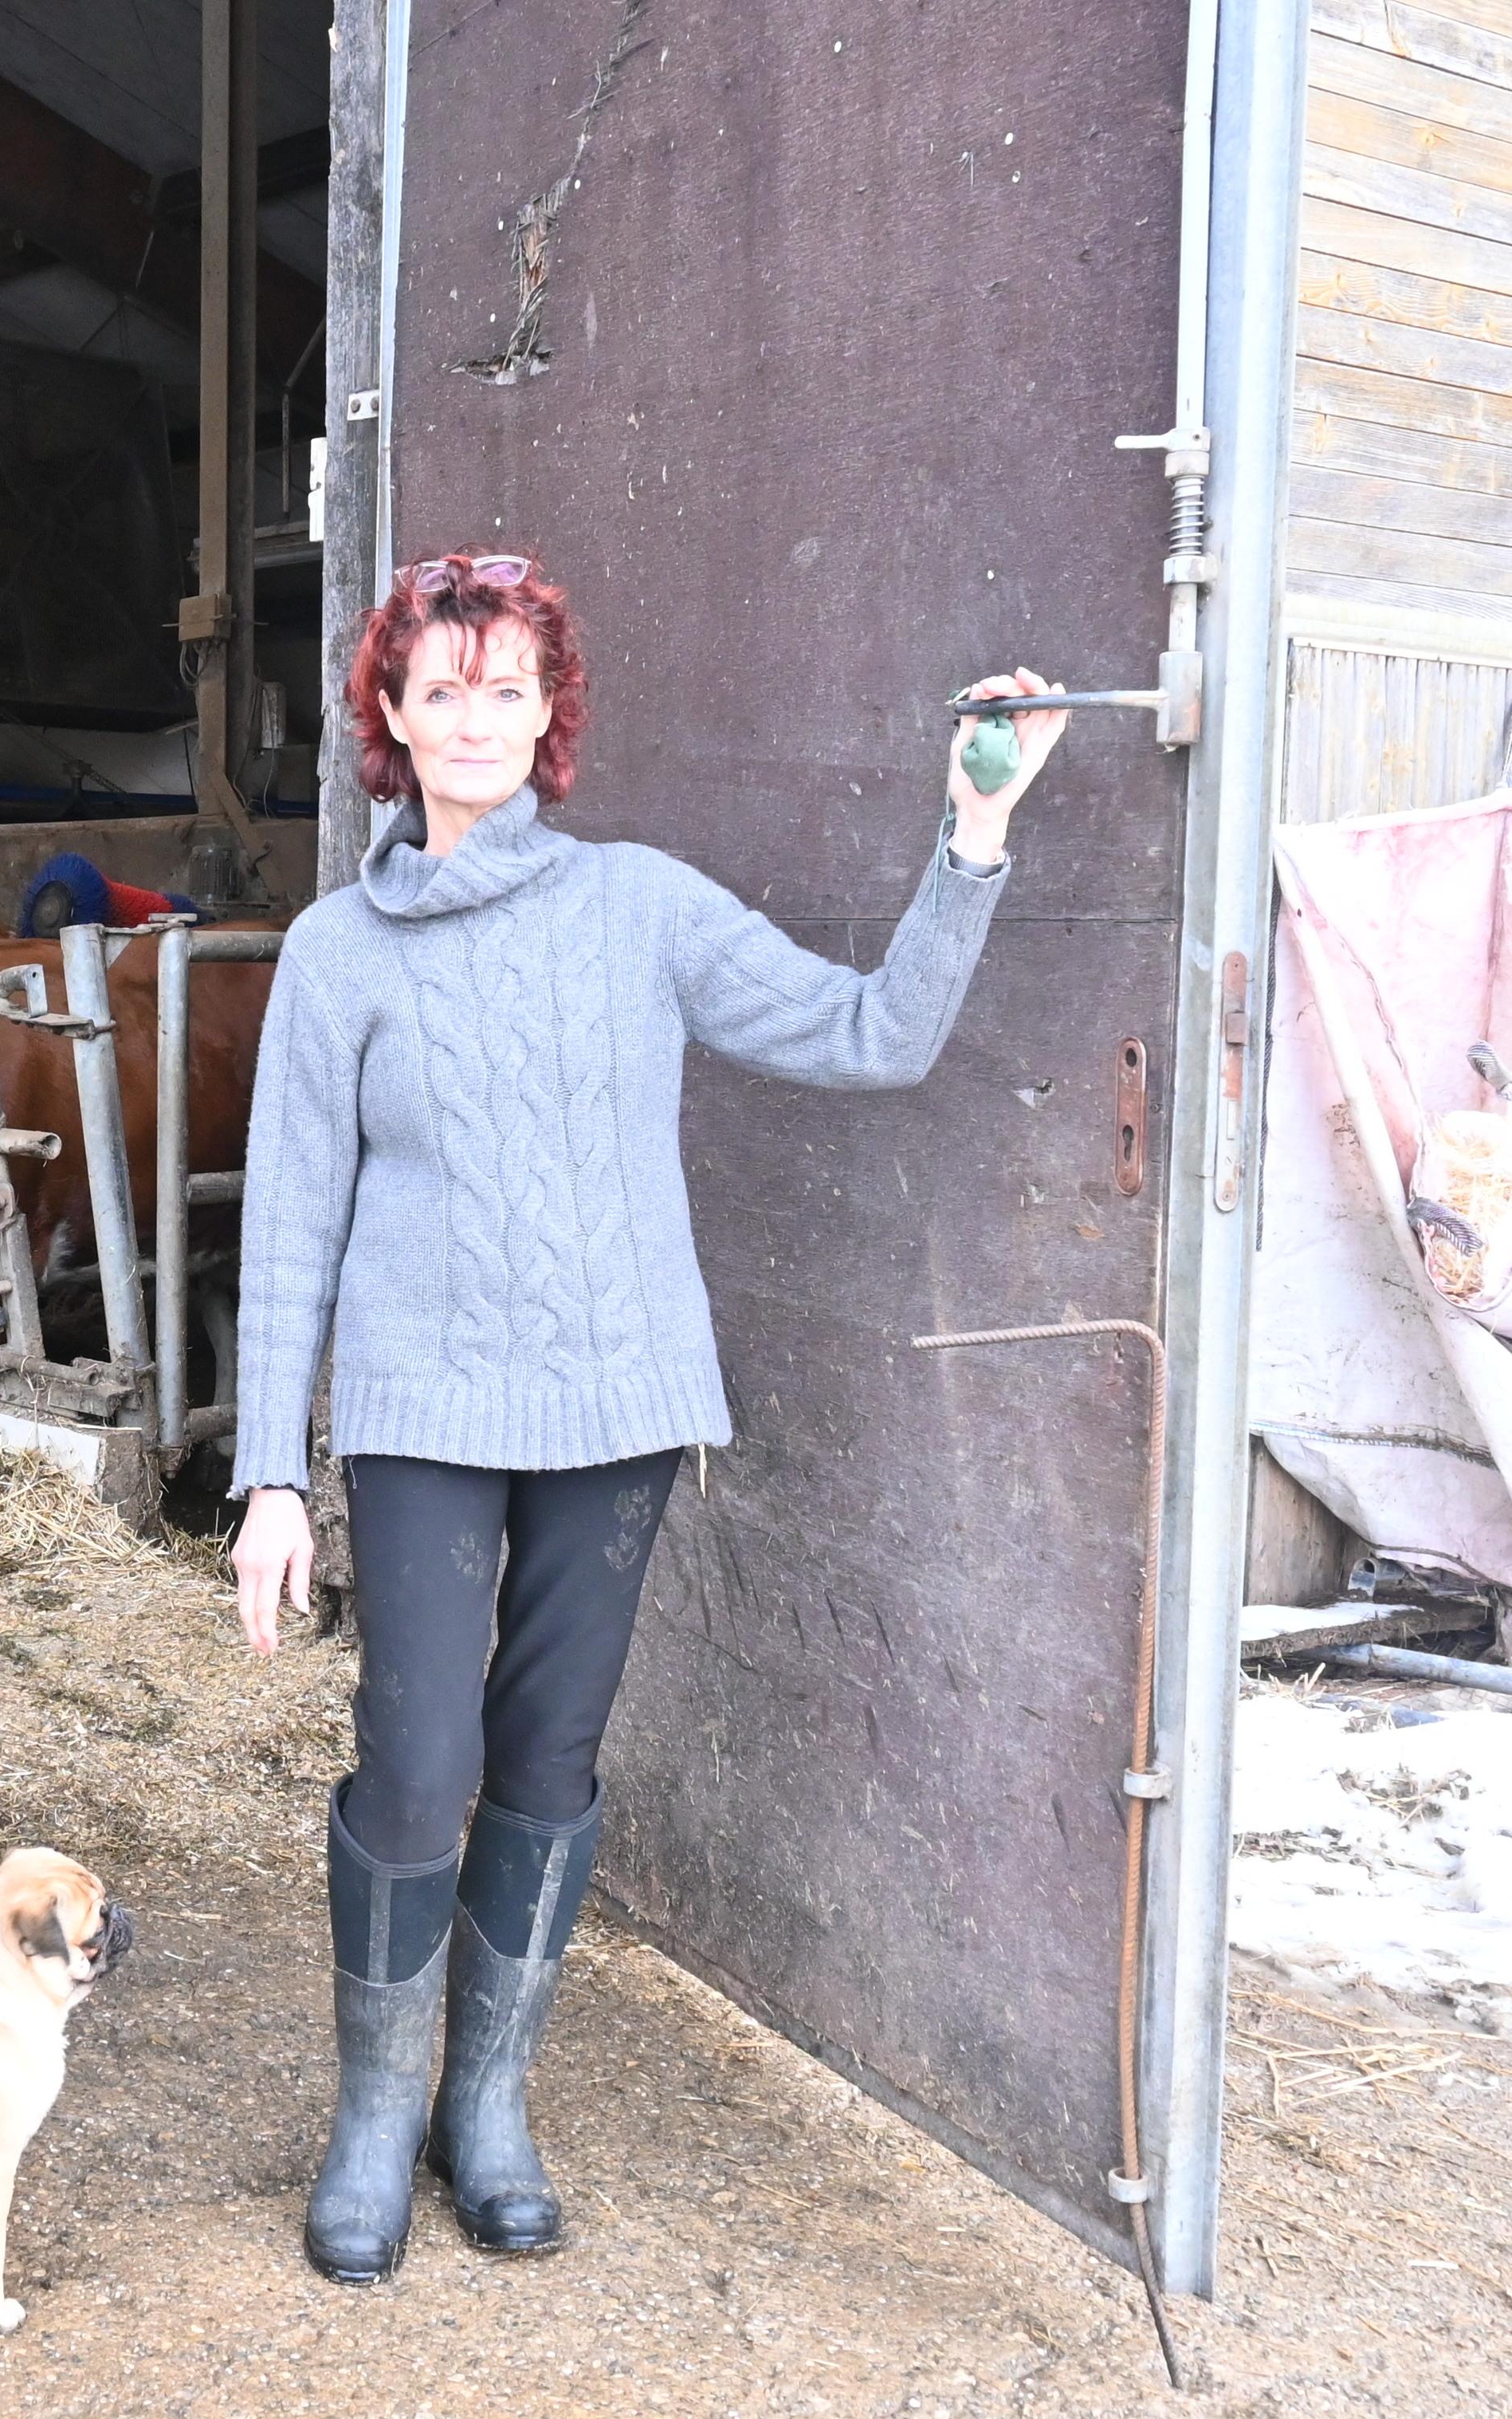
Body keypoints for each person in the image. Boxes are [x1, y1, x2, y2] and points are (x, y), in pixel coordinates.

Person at [224, 549, 1069, 2284]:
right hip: (422, 1409)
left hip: (613, 1408)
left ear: (550, 714)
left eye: (507, 688)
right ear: (390, 714)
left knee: (547, 1758)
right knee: (418, 1764)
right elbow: (292, 1221)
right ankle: (376, 2110)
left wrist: (972, 831)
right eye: (441, 688)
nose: (476, 717)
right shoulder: (334, 952)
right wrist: (268, 1479)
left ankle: (486, 2104)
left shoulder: (641, 907)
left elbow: (874, 1038)